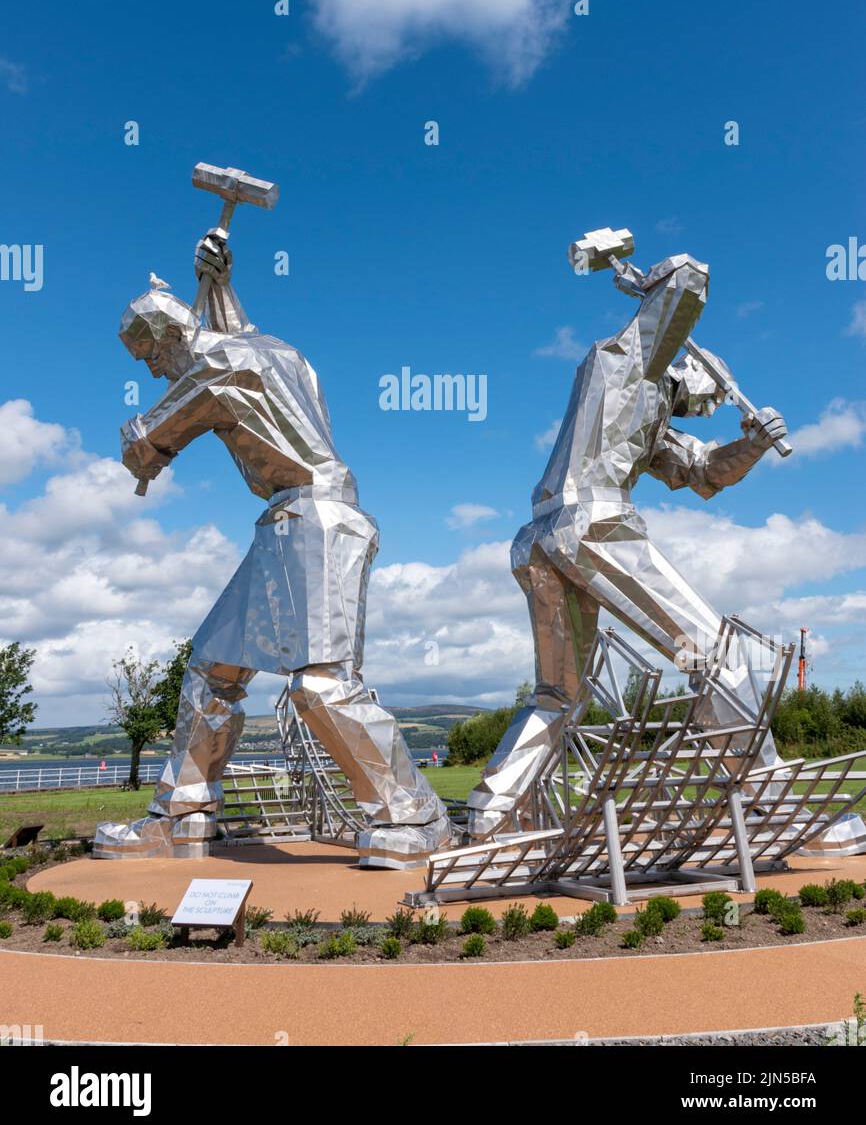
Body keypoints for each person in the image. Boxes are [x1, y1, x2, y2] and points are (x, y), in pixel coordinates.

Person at [94, 231, 451, 868]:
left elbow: (151, 438)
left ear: (167, 338)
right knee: (211, 668)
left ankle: (412, 816)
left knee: (320, 685)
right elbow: (237, 335)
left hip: (313, 520)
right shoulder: (267, 349)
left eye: (147, 356)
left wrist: (135, 439)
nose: (151, 371)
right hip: (288, 521)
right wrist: (222, 283)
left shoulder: (216, 367)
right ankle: (183, 816)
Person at [467, 251, 788, 839]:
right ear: (682, 357)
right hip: (595, 523)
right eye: (709, 392)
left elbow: (705, 472)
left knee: (559, 694)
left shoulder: (653, 412)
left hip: (540, 541)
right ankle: (774, 803)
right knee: (715, 656)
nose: (710, 405)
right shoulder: (620, 365)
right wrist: (662, 283)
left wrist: (754, 445)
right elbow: (684, 287)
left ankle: (491, 816)